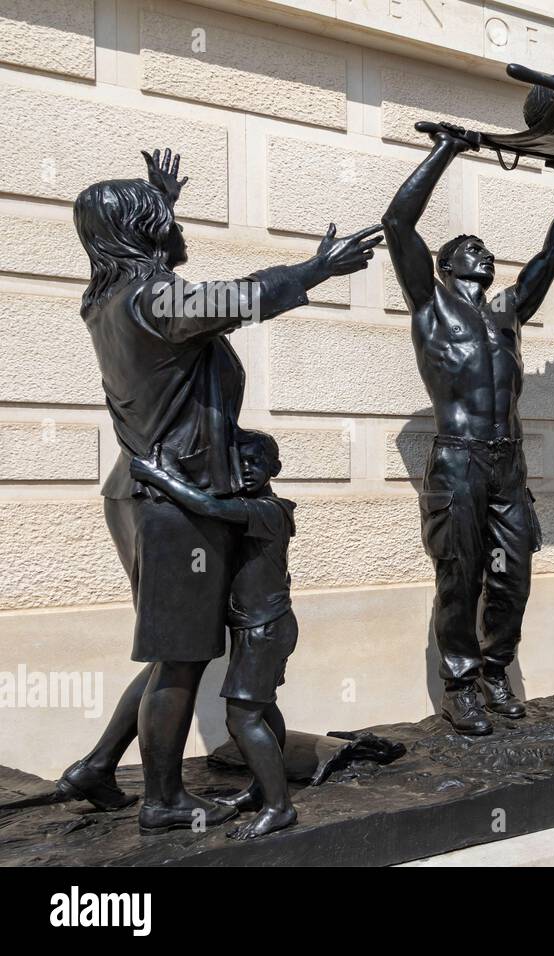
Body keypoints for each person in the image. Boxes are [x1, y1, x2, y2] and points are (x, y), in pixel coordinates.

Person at [60, 148, 380, 834]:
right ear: (141, 234)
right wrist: (316, 270)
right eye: (161, 222)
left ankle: (97, 766)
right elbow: (234, 298)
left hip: (146, 488)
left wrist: (158, 202)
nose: (177, 232)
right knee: (180, 655)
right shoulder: (151, 300)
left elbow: (162, 270)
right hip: (175, 498)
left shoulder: (107, 297)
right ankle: (164, 800)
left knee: (172, 646)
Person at [383, 121, 554, 735]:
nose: (483, 251)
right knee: (460, 574)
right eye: (470, 246)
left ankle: (496, 667)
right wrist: (447, 149)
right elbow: (397, 224)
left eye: (485, 248)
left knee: (511, 571)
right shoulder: (431, 305)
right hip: (458, 459)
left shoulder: (508, 312)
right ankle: (461, 684)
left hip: (508, 463)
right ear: (446, 265)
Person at [131, 430, 300, 840]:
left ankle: (280, 808)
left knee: (242, 717)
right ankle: (264, 789)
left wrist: (160, 475)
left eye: (255, 462)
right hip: (255, 626)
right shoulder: (247, 505)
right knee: (262, 709)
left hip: (264, 629)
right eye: (237, 462)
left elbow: (205, 505)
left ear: (275, 469)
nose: (244, 469)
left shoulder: (266, 510)